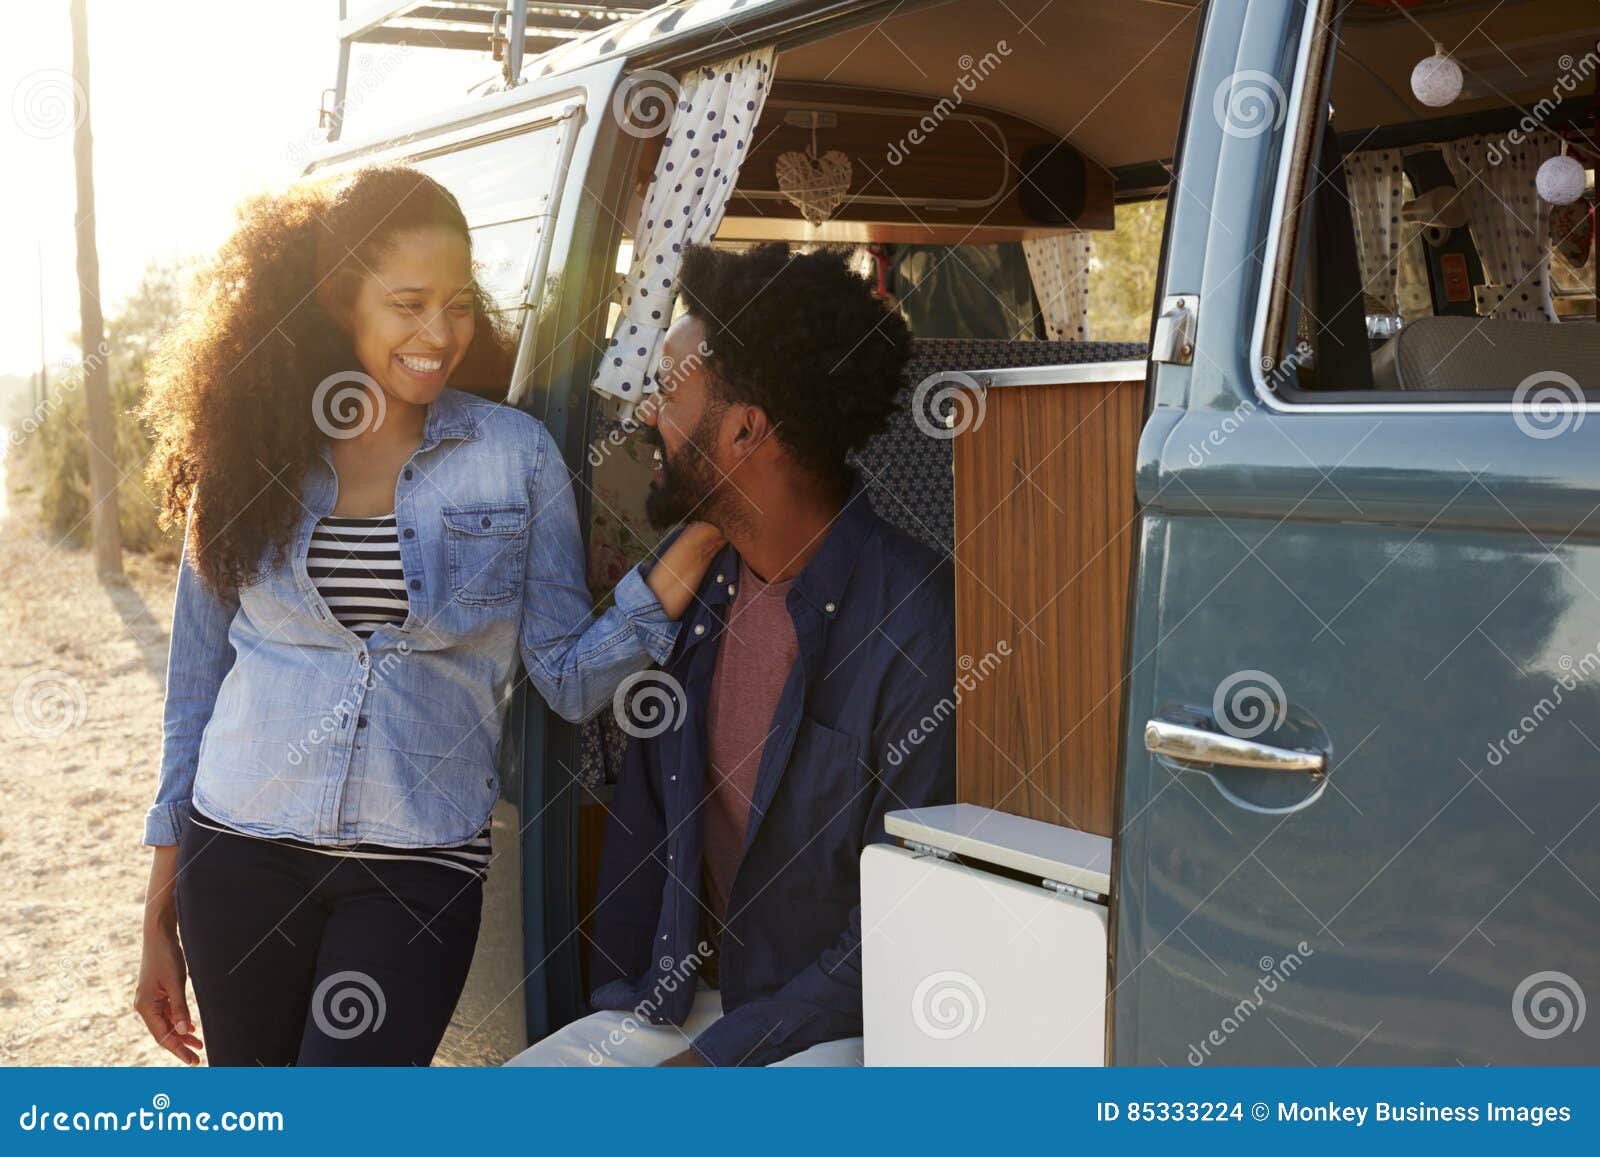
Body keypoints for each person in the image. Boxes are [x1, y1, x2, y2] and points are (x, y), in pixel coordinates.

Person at [132, 166, 723, 1067]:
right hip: (238, 848)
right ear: (341, 301)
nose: (440, 333)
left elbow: (565, 676)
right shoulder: (249, 450)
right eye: (408, 302)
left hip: (416, 866)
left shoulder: (513, 455)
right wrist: (156, 914)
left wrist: (700, 540)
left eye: (456, 303)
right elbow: (194, 691)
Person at [508, 243, 955, 1067]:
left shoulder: (914, 618)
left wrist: (711, 1065)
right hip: (689, 1001)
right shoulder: (702, 592)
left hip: (841, 1025)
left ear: (747, 429)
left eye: (671, 390)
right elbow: (635, 807)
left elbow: (901, 924)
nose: (648, 415)